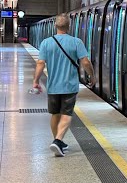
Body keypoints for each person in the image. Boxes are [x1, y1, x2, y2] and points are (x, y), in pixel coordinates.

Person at [31, 14, 93, 156]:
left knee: (55, 114)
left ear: (55, 26)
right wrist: (92, 76)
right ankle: (58, 140)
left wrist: (36, 81)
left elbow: (40, 63)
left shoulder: (46, 43)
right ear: (69, 26)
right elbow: (85, 62)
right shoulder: (76, 42)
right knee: (66, 113)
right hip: (69, 86)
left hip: (53, 86)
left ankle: (57, 141)